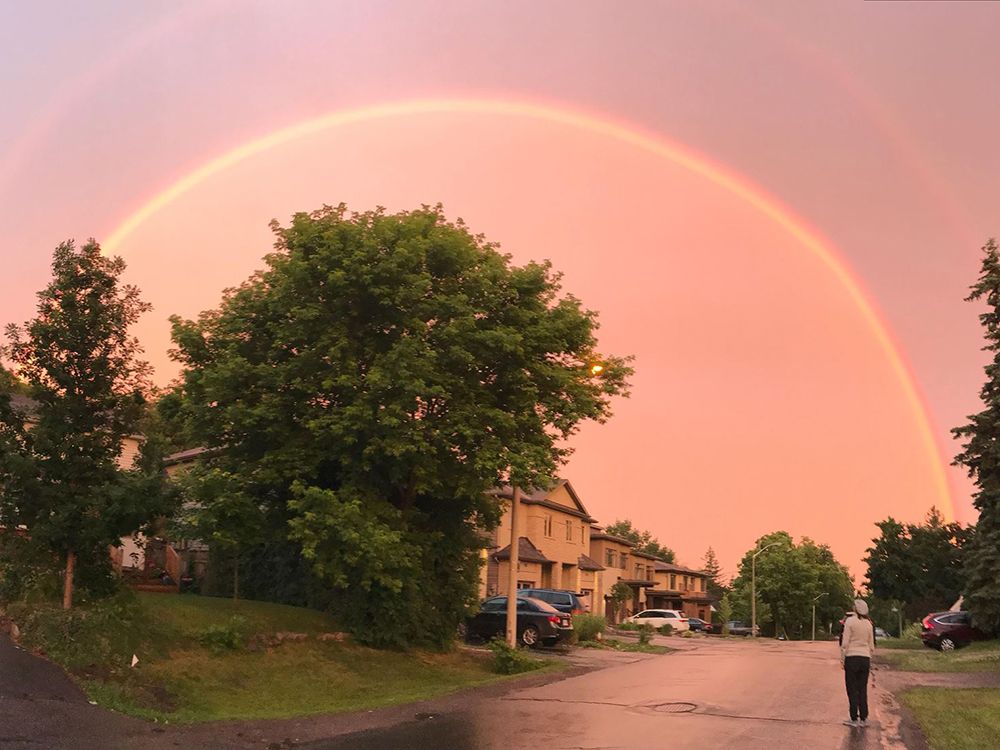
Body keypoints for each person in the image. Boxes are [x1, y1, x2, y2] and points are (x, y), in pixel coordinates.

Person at [840, 598, 875, 727]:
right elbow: (871, 645)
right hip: (865, 658)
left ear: (855, 609)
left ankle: (854, 718)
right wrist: (869, 656)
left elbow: (845, 643)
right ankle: (864, 717)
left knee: (852, 688)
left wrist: (843, 659)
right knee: (862, 688)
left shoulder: (850, 622)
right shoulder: (868, 624)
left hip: (852, 657)